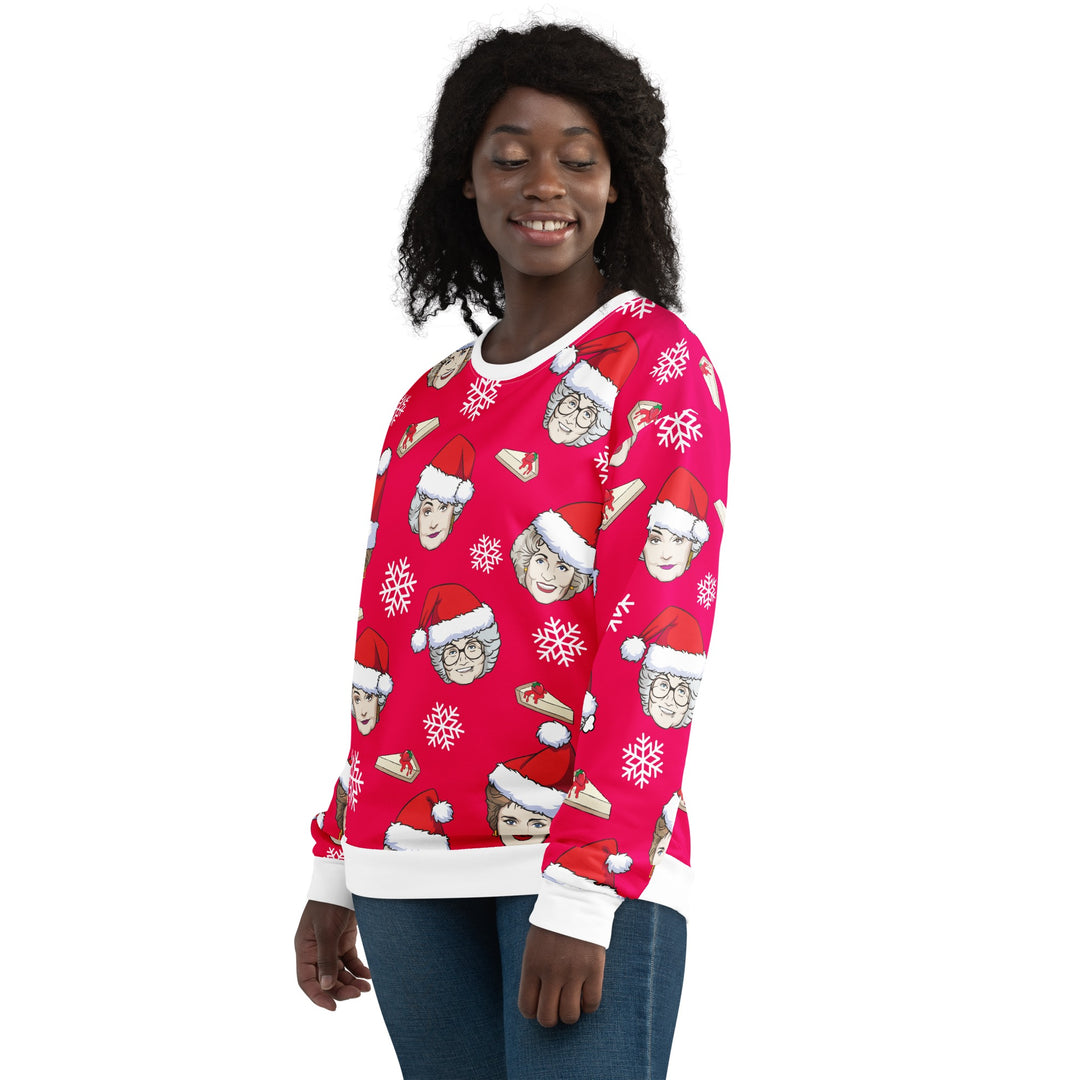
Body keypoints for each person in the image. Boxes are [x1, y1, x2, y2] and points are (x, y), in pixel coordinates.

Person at [293, 22, 731, 1080]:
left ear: (619, 184)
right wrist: (334, 866)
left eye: (578, 158)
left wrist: (583, 889)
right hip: (403, 871)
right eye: (510, 155)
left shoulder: (656, 365)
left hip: (578, 871)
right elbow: (386, 642)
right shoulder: (430, 401)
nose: (545, 184)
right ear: (466, 179)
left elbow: (657, 639)